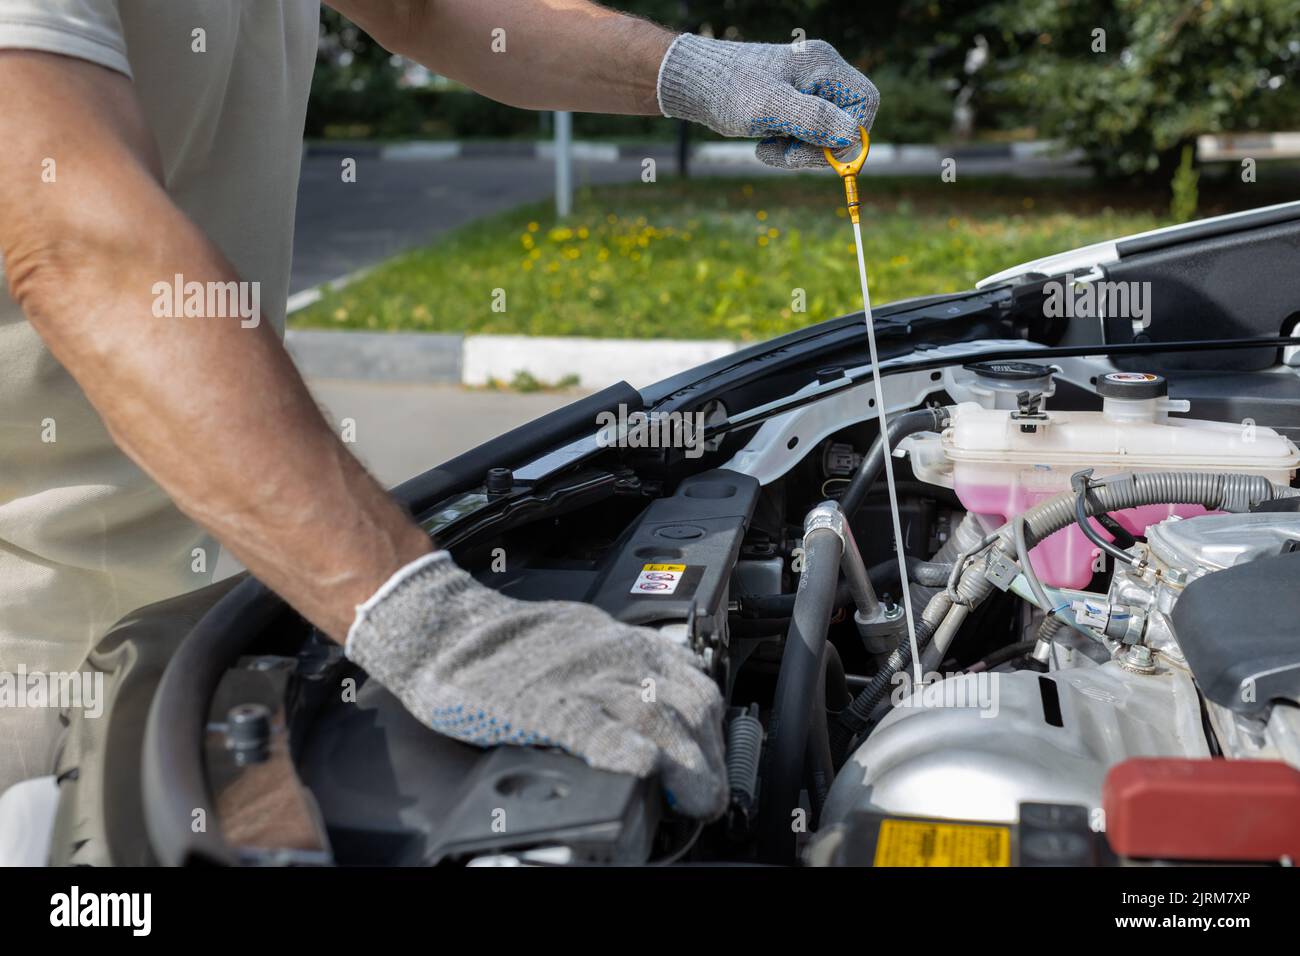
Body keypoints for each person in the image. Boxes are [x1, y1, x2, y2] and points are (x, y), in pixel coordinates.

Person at [0, 0, 878, 816]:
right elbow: (76, 244)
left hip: (250, 594)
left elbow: (435, 9)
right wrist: (424, 618)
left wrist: (698, 71)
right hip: (43, 655)